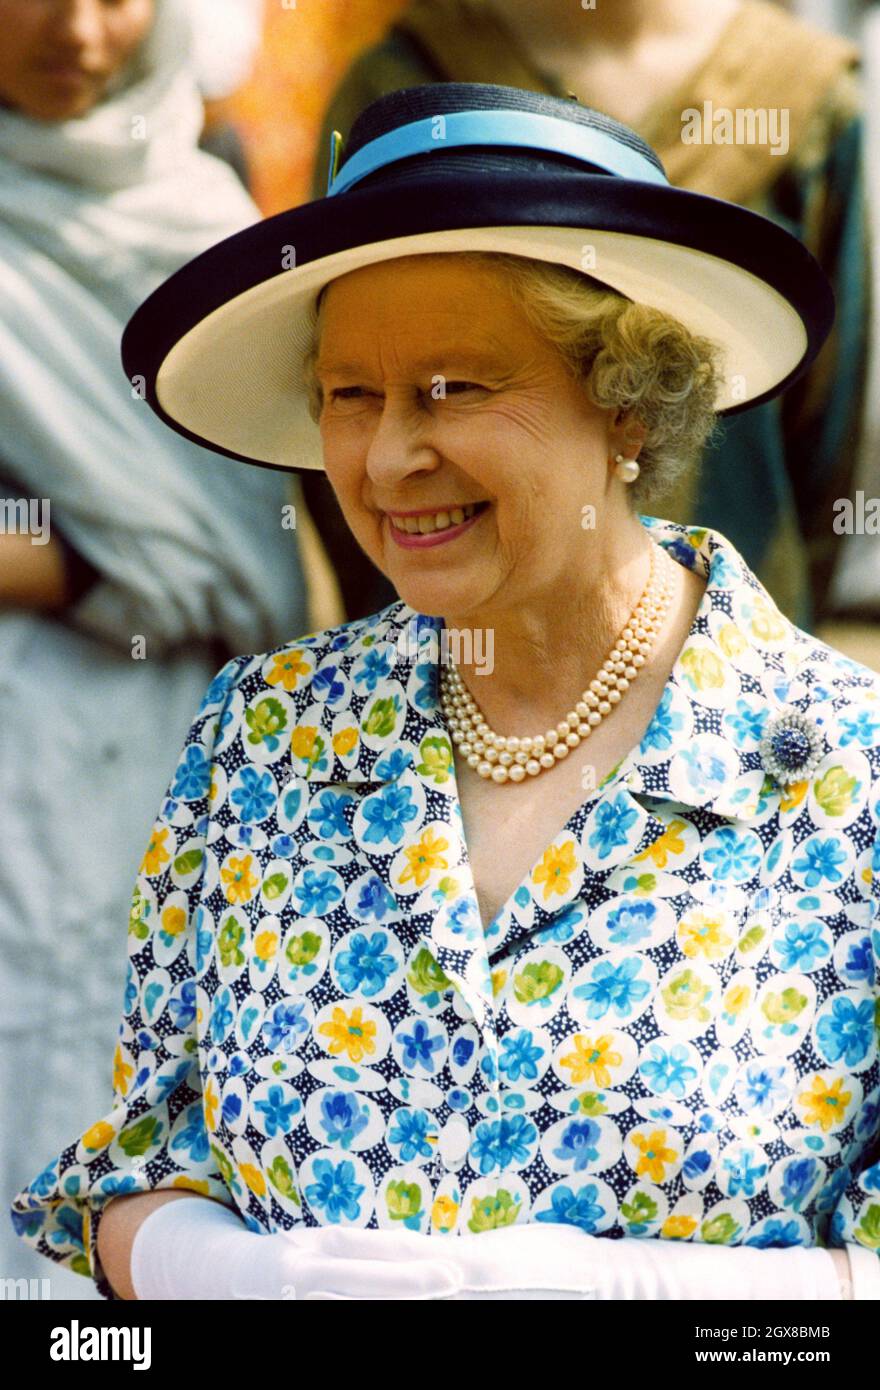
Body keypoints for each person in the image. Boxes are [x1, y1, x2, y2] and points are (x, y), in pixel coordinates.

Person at [10, 82, 880, 1302]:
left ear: (625, 401)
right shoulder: (261, 737)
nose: (383, 458)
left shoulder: (843, 778)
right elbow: (141, 1166)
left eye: (454, 389)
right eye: (350, 395)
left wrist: (648, 1299)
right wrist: (240, 1276)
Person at [0, 0, 308, 1297]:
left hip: (167, 757)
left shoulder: (217, 243)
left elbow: (261, 546)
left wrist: (46, 558)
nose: (77, 31)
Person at [301, 0, 869, 633]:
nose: (390, 458)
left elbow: (824, 433)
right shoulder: (402, 78)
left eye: (460, 388)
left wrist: (763, 657)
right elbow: (348, 367)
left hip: (733, 627)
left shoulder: (800, 92)